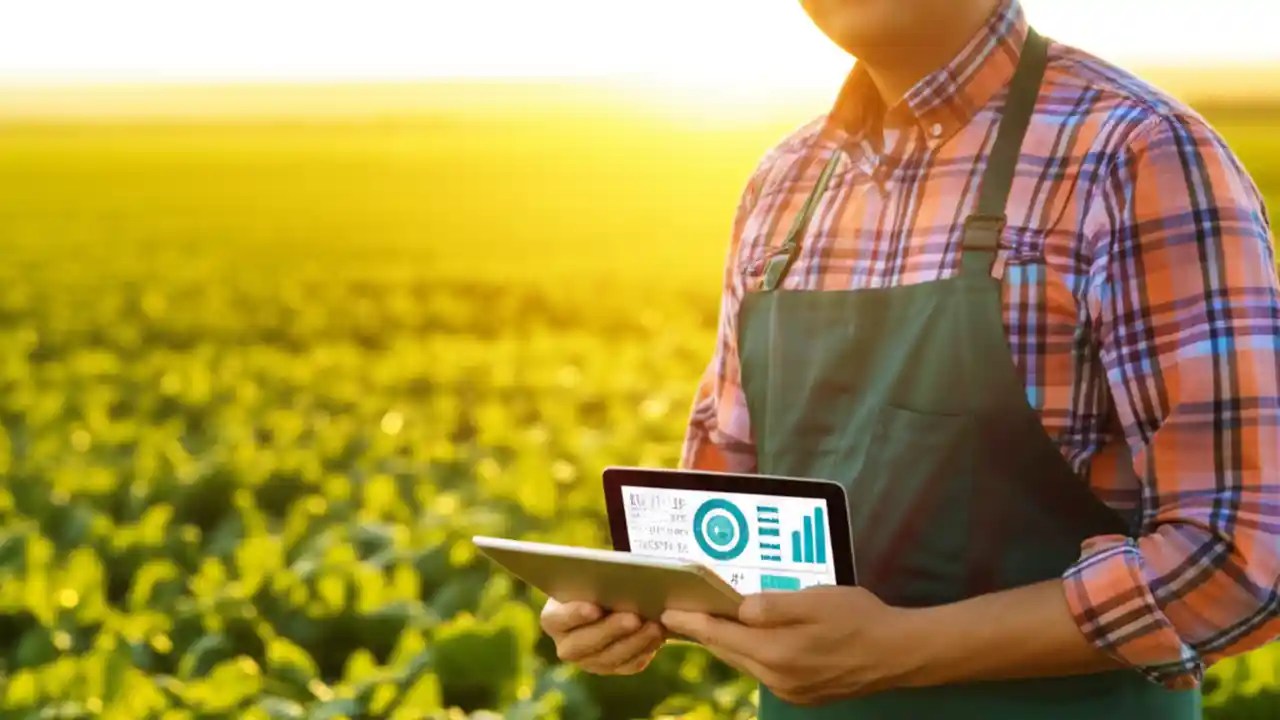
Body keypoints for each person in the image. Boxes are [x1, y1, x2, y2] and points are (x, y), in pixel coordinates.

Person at [539, 0, 1280, 716]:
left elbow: (1241, 559)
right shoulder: (785, 184)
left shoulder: (1135, 154)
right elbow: (723, 506)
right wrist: (628, 598)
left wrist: (902, 650)